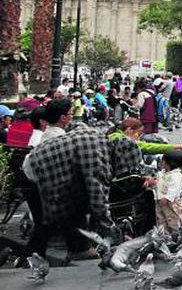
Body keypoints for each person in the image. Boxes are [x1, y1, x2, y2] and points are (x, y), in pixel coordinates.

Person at [22, 98, 110, 262]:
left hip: (44, 184)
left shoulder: (58, 135)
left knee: (52, 223)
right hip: (44, 186)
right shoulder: (55, 139)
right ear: (63, 117)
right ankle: (29, 257)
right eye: (70, 113)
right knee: (48, 225)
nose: (72, 116)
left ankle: (77, 247)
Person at [154, 149, 182, 234]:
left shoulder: (176, 176)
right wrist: (152, 182)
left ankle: (176, 235)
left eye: (163, 161)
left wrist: (167, 198)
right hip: (160, 201)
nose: (161, 162)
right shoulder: (162, 173)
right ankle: (165, 236)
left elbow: (174, 189)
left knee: (172, 221)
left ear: (169, 163)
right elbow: (159, 182)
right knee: (161, 220)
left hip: (171, 204)